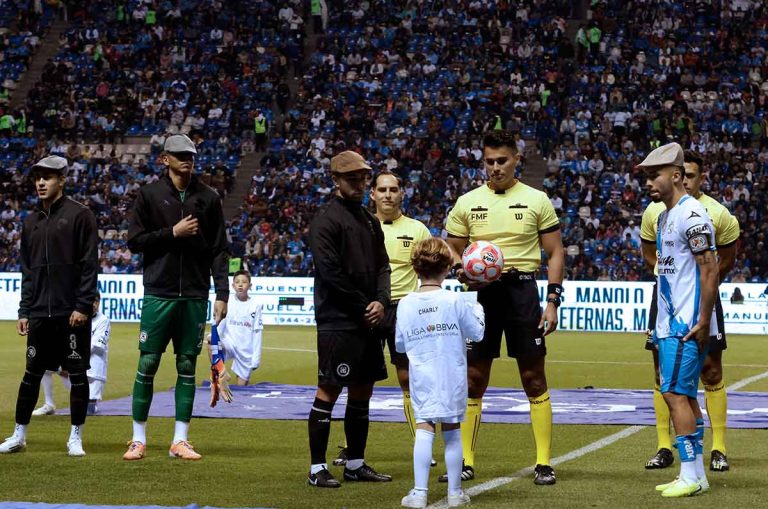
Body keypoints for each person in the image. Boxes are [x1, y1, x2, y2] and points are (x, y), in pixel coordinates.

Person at [445, 130, 565, 485]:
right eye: (489, 161)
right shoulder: (468, 202)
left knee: (533, 377)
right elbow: (452, 246)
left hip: (521, 292)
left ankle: (543, 462)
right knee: (473, 379)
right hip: (481, 296)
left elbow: (555, 252)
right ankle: (465, 461)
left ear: (516, 160)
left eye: (502, 161)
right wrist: (461, 268)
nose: (495, 167)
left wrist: (552, 301)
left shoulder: (536, 199)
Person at [123, 134, 229, 461]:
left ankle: (179, 441)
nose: (187, 160)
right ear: (165, 159)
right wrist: (173, 233)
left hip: (195, 294)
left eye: (191, 155)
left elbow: (219, 249)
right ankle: (138, 439)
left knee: (186, 365)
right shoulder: (149, 195)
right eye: (180, 155)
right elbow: (134, 241)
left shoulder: (209, 198)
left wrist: (222, 292)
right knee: (148, 362)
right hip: (159, 293)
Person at [640, 150, 739, 472]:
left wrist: (702, 317)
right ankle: (690, 468)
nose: (648, 183)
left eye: (654, 175)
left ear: (678, 176)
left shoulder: (697, 215)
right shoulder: (662, 214)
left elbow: (712, 269)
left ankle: (694, 470)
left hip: (687, 317)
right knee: (677, 389)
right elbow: (660, 263)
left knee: (679, 390)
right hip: (669, 314)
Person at [0, 155, 99, 456]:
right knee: (31, 374)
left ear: (62, 180)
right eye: (37, 178)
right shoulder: (30, 222)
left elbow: (89, 265)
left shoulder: (81, 215)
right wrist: (24, 310)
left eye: (48, 177)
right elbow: (27, 272)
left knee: (77, 375)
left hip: (71, 313)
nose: (41, 183)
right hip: (40, 313)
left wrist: (83, 305)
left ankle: (75, 437)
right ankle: (19, 435)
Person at [306, 150, 392, 488]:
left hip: (368, 319)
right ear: (336, 180)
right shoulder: (325, 221)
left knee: (363, 390)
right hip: (338, 321)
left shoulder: (370, 221)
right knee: (329, 389)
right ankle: (316, 469)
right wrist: (366, 305)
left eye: (362, 178)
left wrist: (381, 301)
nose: (359, 183)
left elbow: (384, 266)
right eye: (351, 178)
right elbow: (331, 274)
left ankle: (355, 463)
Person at [333, 171, 431, 466]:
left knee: (409, 379)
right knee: (359, 381)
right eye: (383, 189)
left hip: (405, 310)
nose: (388, 194)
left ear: (402, 193)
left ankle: (422, 444)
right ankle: (351, 448)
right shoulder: (359, 226)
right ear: (372, 193)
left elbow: (431, 269)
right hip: (370, 309)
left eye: (394, 189)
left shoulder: (417, 229)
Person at [396, 238, 485, 508]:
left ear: (415, 268)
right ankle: (455, 493)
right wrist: (478, 309)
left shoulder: (405, 303)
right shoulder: (455, 300)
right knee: (452, 430)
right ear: (447, 268)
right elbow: (477, 334)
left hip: (422, 375)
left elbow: (400, 345)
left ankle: (419, 493)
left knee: (424, 426)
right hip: (451, 375)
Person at [32, 292, 111, 416]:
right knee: (45, 368)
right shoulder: (74, 317)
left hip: (93, 370)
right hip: (75, 365)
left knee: (88, 410)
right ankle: (49, 404)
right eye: (91, 301)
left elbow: (95, 346)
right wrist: (65, 362)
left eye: (96, 301)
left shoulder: (103, 320)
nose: (94, 304)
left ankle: (90, 403)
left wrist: (71, 362)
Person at [206, 270, 264, 386]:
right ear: (233, 286)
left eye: (244, 282)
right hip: (229, 343)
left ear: (250, 286)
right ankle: (221, 372)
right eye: (237, 282)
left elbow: (257, 332)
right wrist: (214, 335)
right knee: (211, 341)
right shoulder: (228, 302)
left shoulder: (256, 305)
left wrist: (256, 359)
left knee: (242, 388)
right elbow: (222, 322)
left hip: (245, 349)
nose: (240, 285)